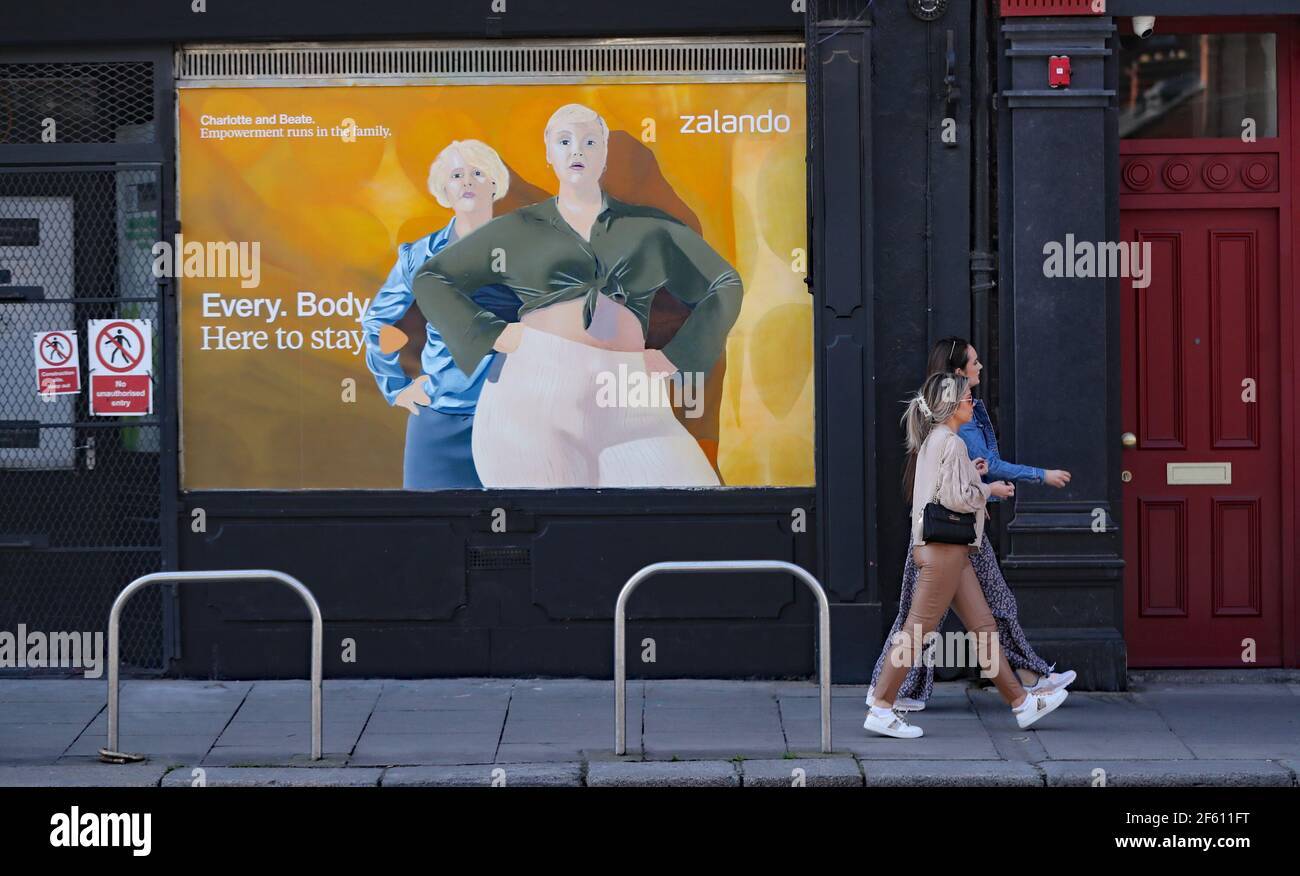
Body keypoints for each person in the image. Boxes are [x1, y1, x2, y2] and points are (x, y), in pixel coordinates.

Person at [411, 103, 741, 487]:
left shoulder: (652, 229)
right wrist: (493, 334)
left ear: (604, 155)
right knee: (551, 522)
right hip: (534, 389)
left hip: (629, 388)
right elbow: (432, 278)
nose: (576, 151)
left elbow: (725, 284)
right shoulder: (517, 227)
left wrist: (678, 356)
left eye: (589, 142)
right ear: (549, 154)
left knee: (688, 503)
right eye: (564, 141)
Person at [868, 337, 1075, 709]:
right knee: (917, 630)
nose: (972, 403)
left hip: (953, 549)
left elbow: (950, 484)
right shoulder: (950, 440)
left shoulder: (941, 437)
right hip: (943, 549)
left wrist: (974, 477)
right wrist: (988, 489)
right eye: (965, 399)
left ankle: (1021, 701)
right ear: (953, 398)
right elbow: (954, 498)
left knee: (982, 627)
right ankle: (883, 700)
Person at [361, 139, 521, 489]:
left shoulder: (528, 247)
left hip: (515, 417)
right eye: (457, 175)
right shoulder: (418, 256)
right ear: (443, 189)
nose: (467, 182)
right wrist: (397, 389)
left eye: (478, 173)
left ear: (495, 184)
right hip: (439, 418)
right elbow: (377, 322)